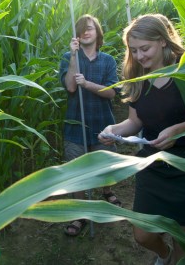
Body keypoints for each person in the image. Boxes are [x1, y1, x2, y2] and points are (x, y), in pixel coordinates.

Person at [98, 14, 185, 264]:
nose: (140, 56)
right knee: (142, 234)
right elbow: (135, 122)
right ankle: (163, 255)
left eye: (145, 49)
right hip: (154, 164)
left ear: (163, 41)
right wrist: (113, 129)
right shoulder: (137, 76)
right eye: (133, 51)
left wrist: (178, 130)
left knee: (183, 240)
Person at [59, 14, 122, 236]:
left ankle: (107, 190)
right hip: (76, 125)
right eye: (82, 29)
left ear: (98, 33)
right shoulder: (69, 57)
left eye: (91, 28)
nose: (86, 32)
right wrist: (74, 55)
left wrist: (87, 83)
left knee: (106, 166)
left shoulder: (108, 61)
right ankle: (80, 214)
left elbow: (112, 92)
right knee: (76, 173)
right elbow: (70, 88)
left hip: (103, 124)